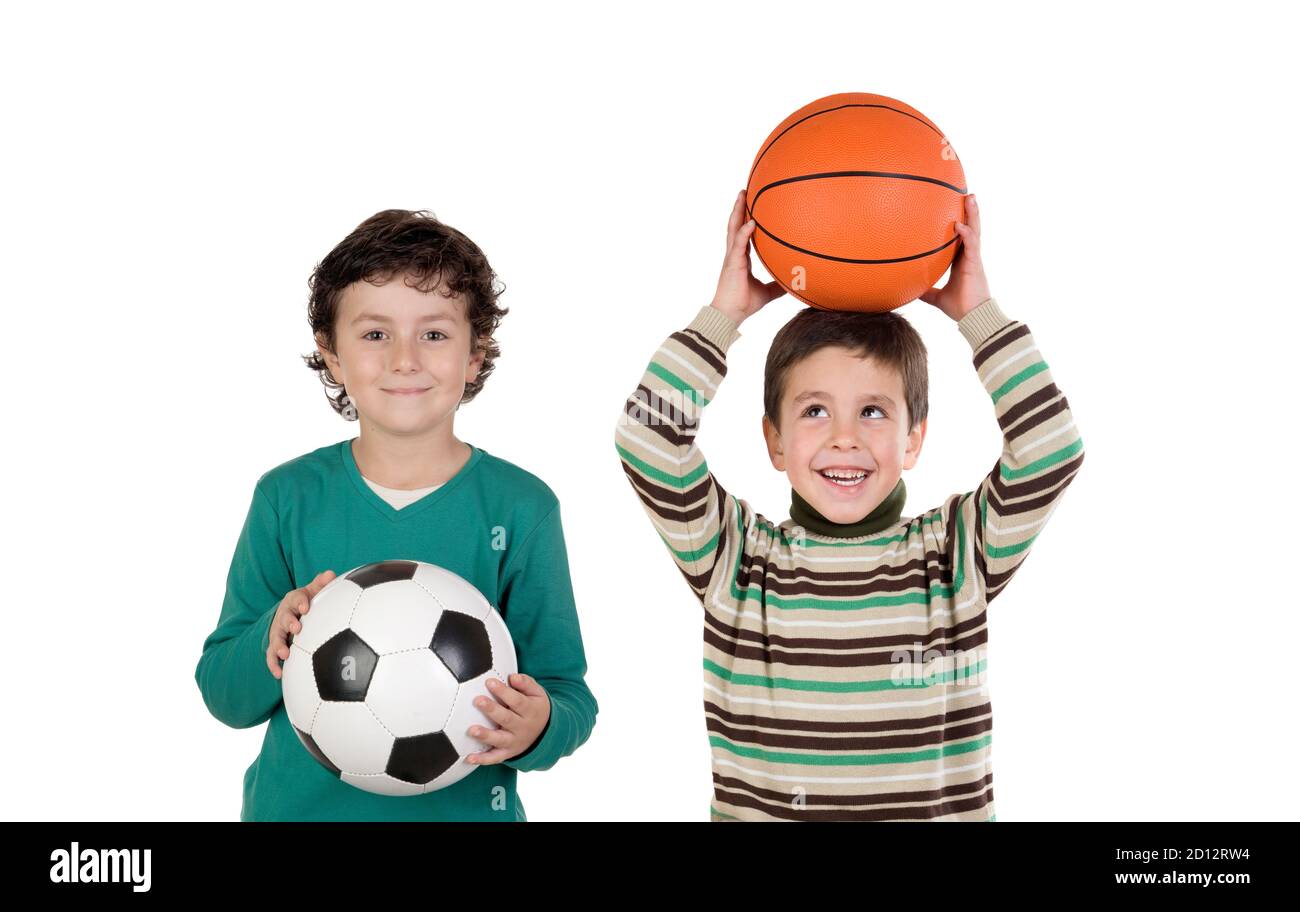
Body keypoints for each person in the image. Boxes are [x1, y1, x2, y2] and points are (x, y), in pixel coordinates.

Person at [615, 191, 1083, 820]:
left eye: (873, 411)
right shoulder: (737, 559)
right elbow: (646, 437)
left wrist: (978, 314)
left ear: (913, 439)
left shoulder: (955, 554)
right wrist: (724, 313)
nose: (845, 436)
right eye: (814, 411)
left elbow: (1051, 449)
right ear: (774, 441)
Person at [196, 209, 597, 821]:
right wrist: (269, 639)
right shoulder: (287, 497)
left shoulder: (521, 507)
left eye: (434, 334)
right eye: (375, 334)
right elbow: (223, 695)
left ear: (474, 354)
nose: (405, 359)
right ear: (332, 356)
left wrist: (539, 727)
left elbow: (569, 696)